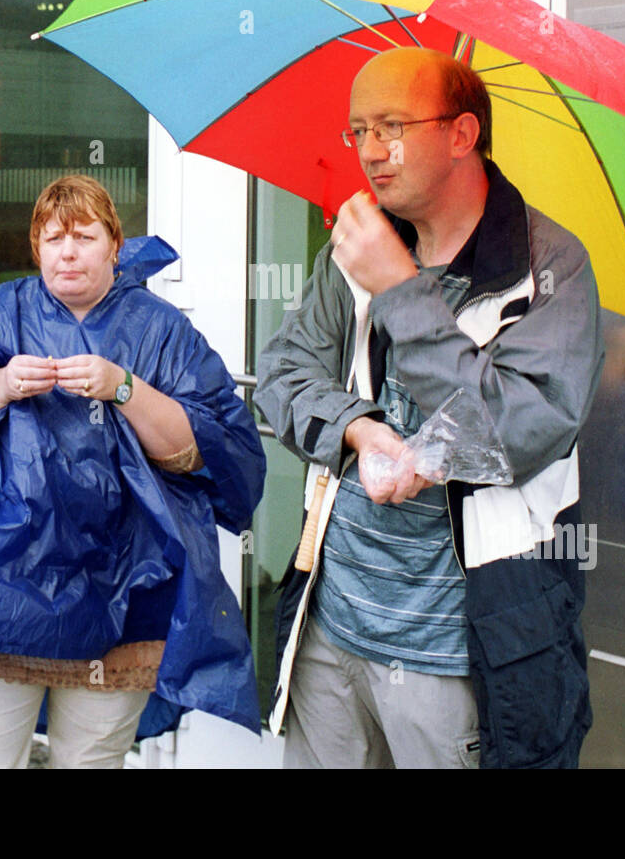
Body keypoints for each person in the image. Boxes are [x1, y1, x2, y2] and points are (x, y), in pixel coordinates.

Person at [255, 46, 606, 769]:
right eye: (358, 130)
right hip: (330, 632)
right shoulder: (353, 250)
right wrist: (357, 429)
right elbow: (281, 373)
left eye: (392, 125)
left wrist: (401, 288)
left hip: (458, 653)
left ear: (461, 134)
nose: (372, 152)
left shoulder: (550, 266)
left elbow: (516, 428)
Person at [0, 174, 265, 769]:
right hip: (0, 579)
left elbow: (205, 450)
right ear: (36, 246)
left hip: (128, 578)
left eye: (85, 237)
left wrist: (124, 388)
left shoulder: (160, 330)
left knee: (90, 760)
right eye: (54, 237)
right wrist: (2, 384)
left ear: (115, 245)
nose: (68, 251)